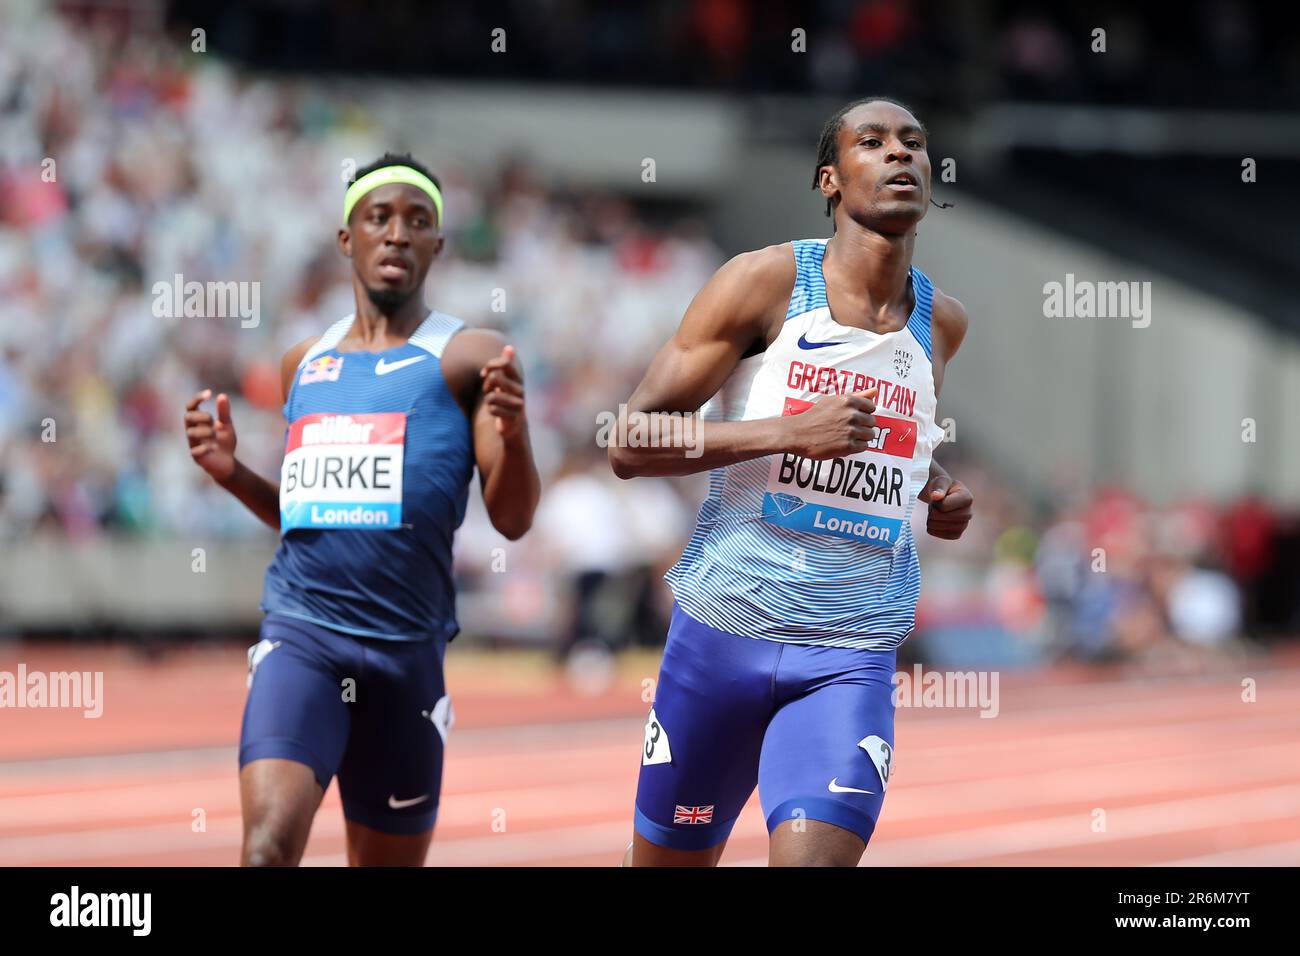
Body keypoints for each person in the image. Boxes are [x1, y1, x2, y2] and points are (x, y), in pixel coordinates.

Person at [609, 98, 974, 866]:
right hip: (724, 632)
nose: (899, 155)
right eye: (872, 143)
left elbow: (891, 440)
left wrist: (934, 484)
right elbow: (630, 440)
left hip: (852, 650)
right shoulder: (764, 282)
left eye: (913, 143)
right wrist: (784, 433)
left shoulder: (941, 322)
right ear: (830, 180)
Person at [184, 153, 540, 866]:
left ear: (439, 245)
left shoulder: (468, 357)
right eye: (380, 218)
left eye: (419, 222)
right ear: (348, 238)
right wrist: (231, 474)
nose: (398, 235)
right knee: (265, 849)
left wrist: (514, 429)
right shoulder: (303, 363)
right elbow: (309, 512)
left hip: (406, 656)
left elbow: (513, 519)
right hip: (303, 638)